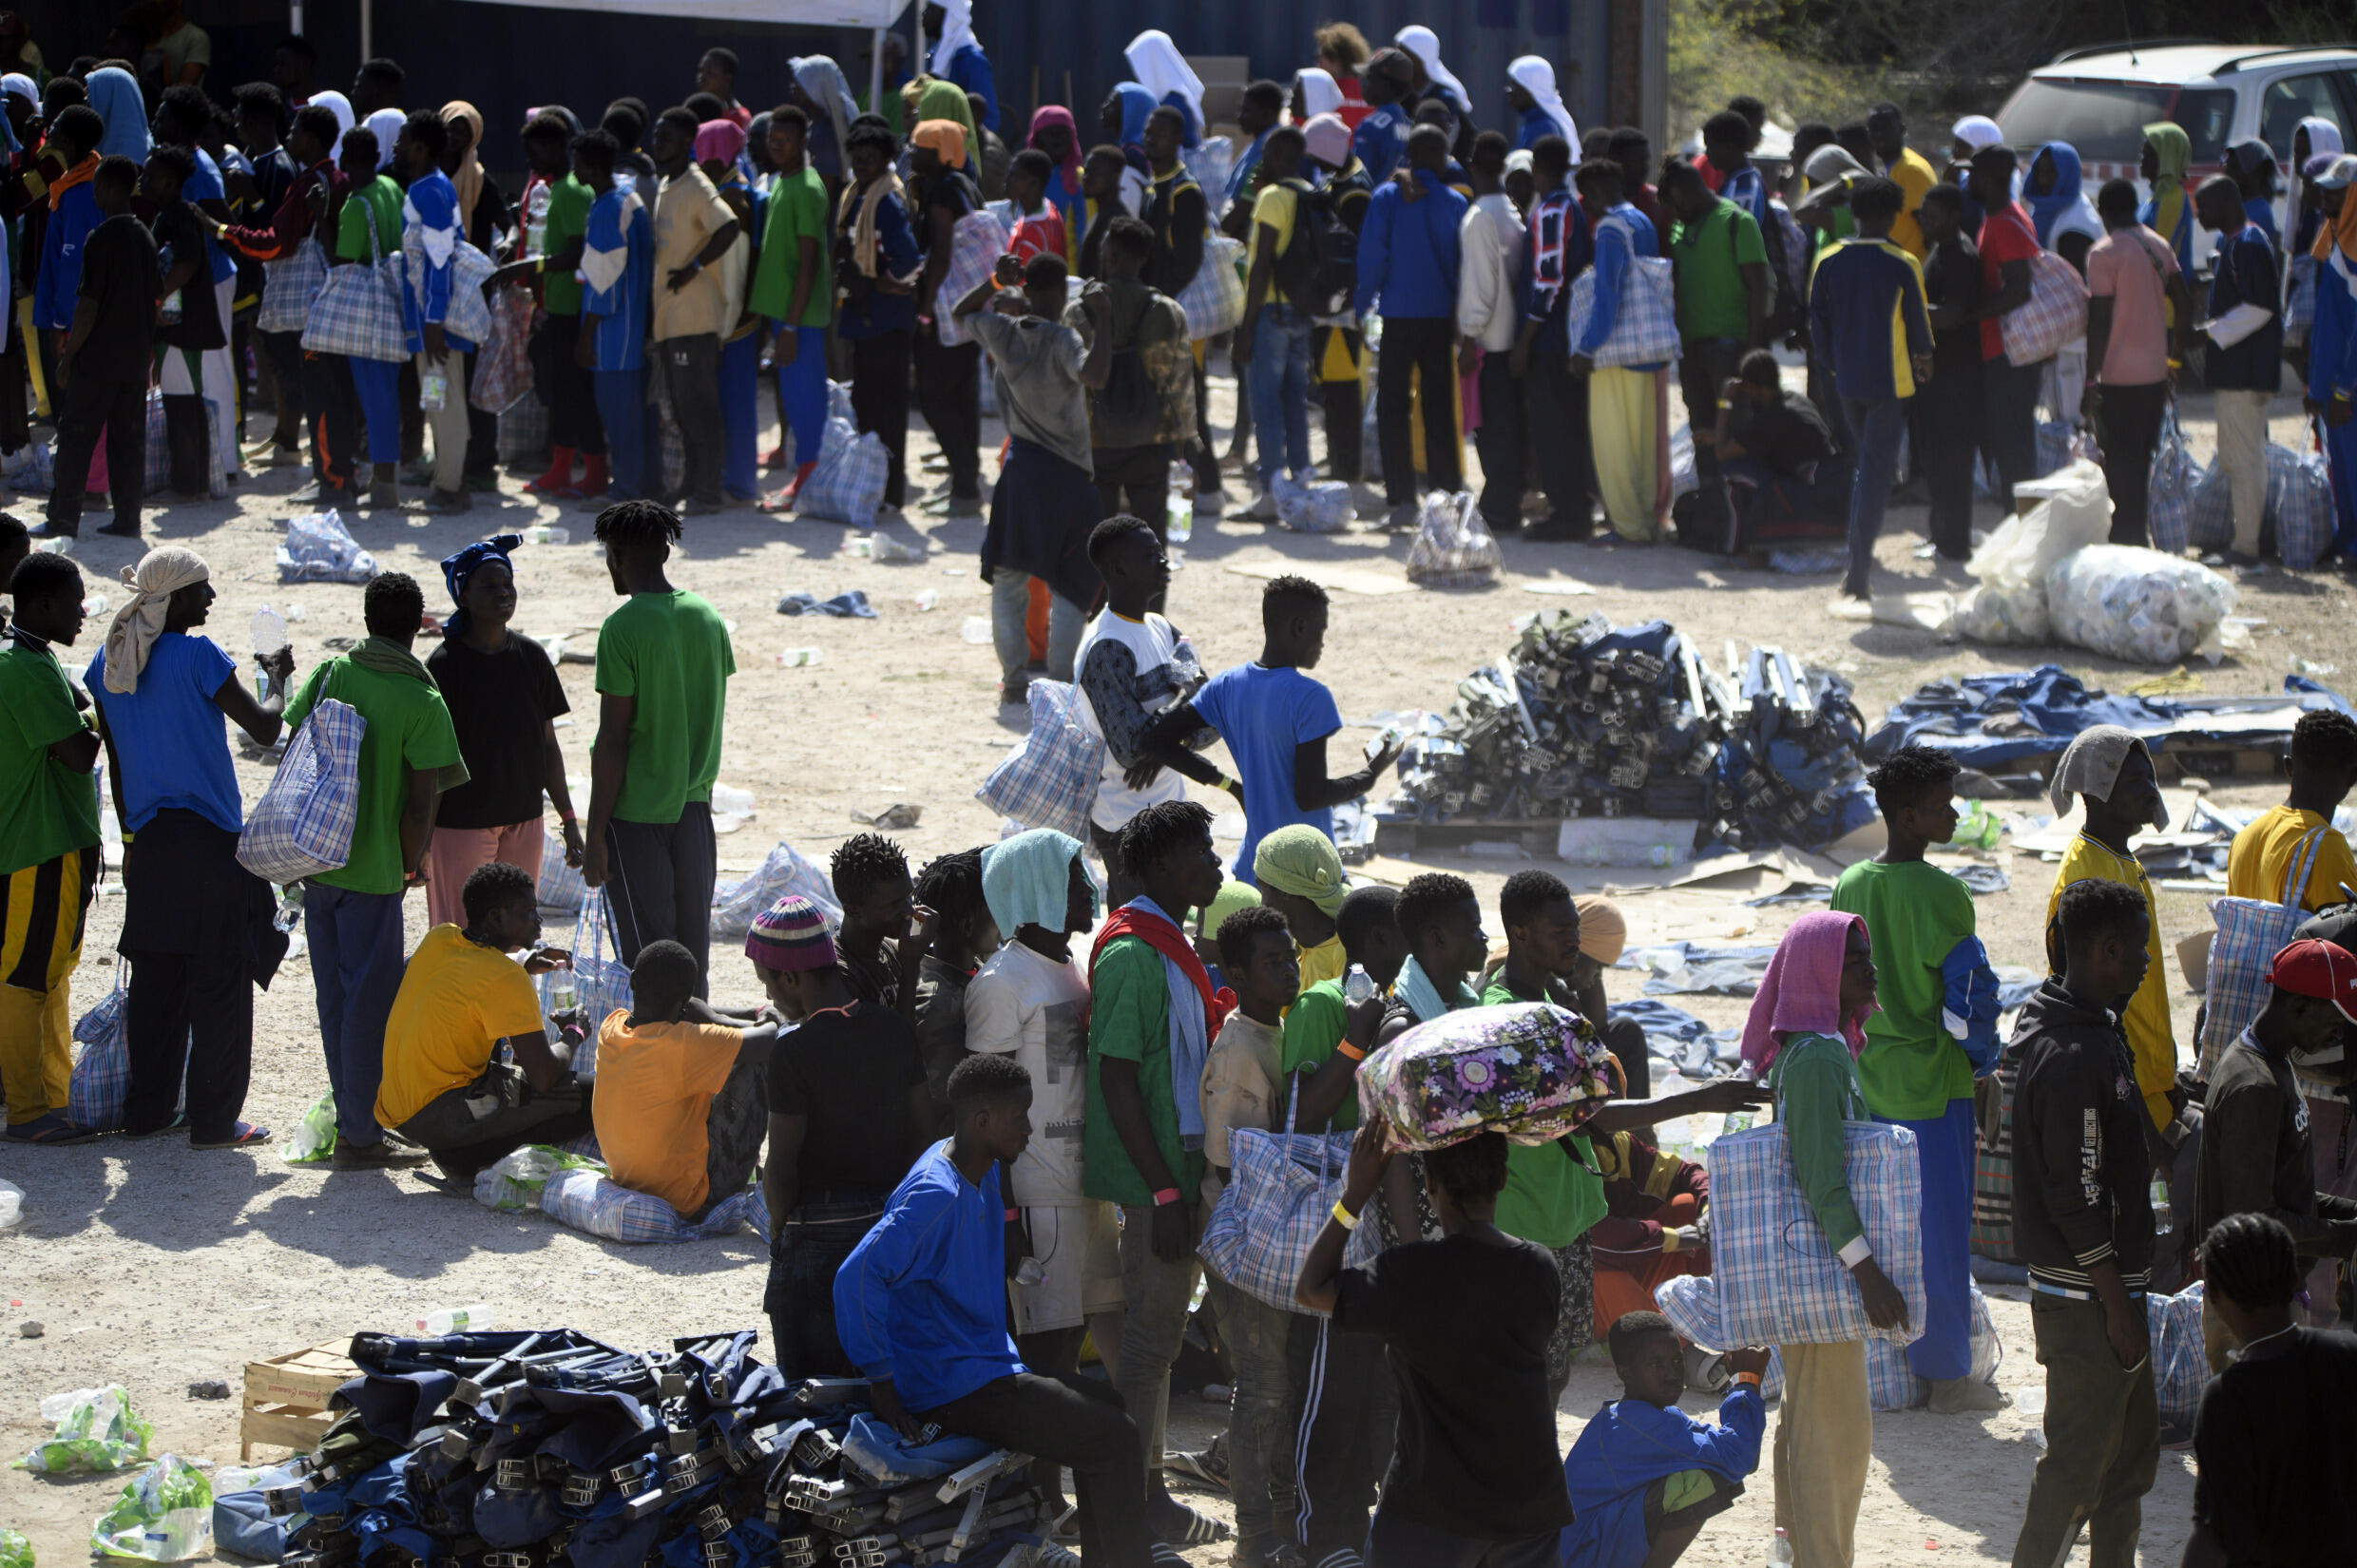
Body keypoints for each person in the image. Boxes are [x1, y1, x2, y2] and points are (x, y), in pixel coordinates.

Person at [837, 1053, 1163, 1568]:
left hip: (983, 1365)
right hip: (952, 1383)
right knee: (1114, 1439)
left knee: (1111, 1407)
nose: (1029, 1129)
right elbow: (856, 1275)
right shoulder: (935, 1194)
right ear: (980, 1120)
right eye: (1019, 1117)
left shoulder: (981, 1167)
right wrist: (880, 1376)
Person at [1482, 869, 1772, 1397]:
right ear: (1519, 934)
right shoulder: (1510, 1017)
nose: (1573, 940)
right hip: (1528, 1215)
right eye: (1558, 932)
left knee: (1555, 1373)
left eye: (1575, 929)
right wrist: (1702, 1097)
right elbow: (1587, 1116)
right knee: (1529, 1377)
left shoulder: (1556, 995)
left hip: (1569, 1209)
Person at [1295, 1124, 1574, 1568]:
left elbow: (1310, 1289)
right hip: (1528, 1505)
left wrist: (1356, 1194)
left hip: (1431, 1509)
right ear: (1502, 1179)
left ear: (1429, 1183)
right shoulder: (1539, 1267)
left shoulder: (1410, 1273)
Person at [87, 549, 292, 1148]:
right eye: (202, 590)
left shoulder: (108, 659)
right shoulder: (199, 656)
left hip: (148, 842)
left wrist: (130, 836)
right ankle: (213, 1120)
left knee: (156, 984)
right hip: (209, 842)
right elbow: (266, 728)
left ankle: (147, 1113)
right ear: (174, 598)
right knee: (219, 981)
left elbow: (118, 762)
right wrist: (276, 675)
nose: (211, 600)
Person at [1830, 744, 2002, 1412]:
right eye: (1940, 805)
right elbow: (1969, 1000)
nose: (1953, 813)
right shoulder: (1946, 894)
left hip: (1870, 1083)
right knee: (1941, 1233)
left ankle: (1888, 1368)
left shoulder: (1849, 886)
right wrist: (1985, 1064)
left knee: (1884, 1231)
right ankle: (1948, 1378)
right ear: (1908, 816)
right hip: (1935, 1086)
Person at [1083, 798, 1232, 1546]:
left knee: (1160, 1340)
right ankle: (1138, 1501)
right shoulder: (1134, 954)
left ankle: (1144, 1495)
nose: (1216, 864)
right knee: (1149, 1344)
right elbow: (1114, 1080)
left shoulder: (1169, 946)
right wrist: (1169, 1191)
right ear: (1161, 864)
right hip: (1157, 1183)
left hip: (1172, 1174)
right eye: (1202, 851)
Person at [1743, 912, 1910, 1568]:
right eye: (1854, 961)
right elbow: (1820, 1178)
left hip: (1815, 1266)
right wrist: (1867, 1272)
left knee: (1810, 1424)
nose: (1870, 971)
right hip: (1829, 1269)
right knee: (1835, 1439)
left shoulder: (1820, 1051)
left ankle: (1799, 1552)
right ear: (1818, 973)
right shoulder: (1815, 1060)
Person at [282, 572, 464, 1167]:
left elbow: (296, 743)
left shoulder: (334, 673)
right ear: (419, 625)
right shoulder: (422, 700)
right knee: (370, 1005)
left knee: (334, 998)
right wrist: (412, 865)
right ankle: (360, 1133)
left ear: (366, 620)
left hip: (318, 863)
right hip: (374, 874)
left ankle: (353, 1116)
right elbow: (421, 803)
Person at [2007, 877, 2161, 1568]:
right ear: (2104, 951)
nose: (2148, 966)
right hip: (2088, 1301)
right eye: (2140, 952)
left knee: (2126, 1472)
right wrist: (2115, 1305)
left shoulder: (2094, 1029)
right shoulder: (2070, 1055)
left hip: (2113, 1293)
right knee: (2074, 1473)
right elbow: (2076, 1190)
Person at [967, 830, 1123, 1397]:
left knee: (1115, 1337)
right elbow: (984, 1112)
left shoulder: (1073, 966)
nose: (1089, 888)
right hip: (1039, 1195)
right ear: (1037, 887)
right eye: (1073, 877)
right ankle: (1046, 1489)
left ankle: (1135, 1478)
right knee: (1051, 1357)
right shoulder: (1001, 982)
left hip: (1090, 1183)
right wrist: (1008, 1220)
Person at [1144, 575, 1402, 883]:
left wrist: (1229, 785)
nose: (1321, 643)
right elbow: (1310, 796)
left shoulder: (1226, 685)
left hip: (1254, 869)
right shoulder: (1311, 697)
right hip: (1308, 875)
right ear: (1300, 627)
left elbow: (1158, 741)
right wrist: (1369, 776)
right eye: (1321, 631)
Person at [583, 501, 735, 980]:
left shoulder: (622, 627)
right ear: (666, 553)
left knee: (648, 963)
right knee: (693, 958)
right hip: (694, 811)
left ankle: (656, 1054)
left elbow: (613, 739)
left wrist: (594, 834)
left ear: (616, 556)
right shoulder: (707, 618)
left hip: (635, 816)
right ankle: (699, 1051)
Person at [1193, 902, 1301, 1563]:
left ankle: (1281, 1520)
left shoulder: (1278, 1030)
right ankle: (1257, 1531)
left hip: (1271, 1223)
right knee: (1262, 1385)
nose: (1288, 970)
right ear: (1235, 971)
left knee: (1278, 1381)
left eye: (1290, 957)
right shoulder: (1238, 1048)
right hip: (1245, 1225)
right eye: (1271, 962)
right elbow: (1227, 1159)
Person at [955, 250, 1110, 703]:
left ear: (1024, 289)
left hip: (1021, 471)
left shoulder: (1004, 332)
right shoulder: (1063, 340)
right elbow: (1096, 375)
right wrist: (1103, 320)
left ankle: (1015, 680)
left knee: (1009, 581)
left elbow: (961, 311)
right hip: (1068, 476)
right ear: (1062, 293)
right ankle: (1060, 683)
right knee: (1069, 585)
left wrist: (992, 282)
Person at [2193, 937, 2357, 1364]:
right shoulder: (2255, 1087)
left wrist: (2343, 1212)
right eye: (2335, 1021)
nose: (2340, 1034)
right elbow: (2255, 1220)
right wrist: (2342, 1239)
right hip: (2249, 1309)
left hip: (2268, 1297)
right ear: (2299, 1007)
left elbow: (2283, 1190)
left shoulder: (2275, 1062)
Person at [377, 861, 590, 1179]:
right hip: (439, 1117)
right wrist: (573, 1033)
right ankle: (465, 1156)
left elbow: (475, 973)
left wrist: (523, 960)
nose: (538, 919)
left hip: (399, 1108)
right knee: (583, 1095)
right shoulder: (505, 978)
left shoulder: (440, 937)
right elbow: (545, 1075)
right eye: (528, 911)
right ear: (496, 917)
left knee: (514, 1069)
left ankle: (462, 1144)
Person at [2183, 1213, 2357, 1566]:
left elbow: (2212, 1535)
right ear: (2295, 1279)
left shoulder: (2227, 1398)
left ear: (2213, 1296)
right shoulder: (2346, 1357)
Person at [423, 537, 580, 928]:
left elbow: (548, 746)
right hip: (459, 826)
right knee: (460, 936)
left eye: (507, 584)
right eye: (489, 586)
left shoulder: (531, 657)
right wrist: (418, 840)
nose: (503, 593)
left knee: (517, 938)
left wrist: (569, 819)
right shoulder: (444, 667)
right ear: (465, 597)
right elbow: (427, 761)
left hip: (524, 820)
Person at [0, 552, 101, 1144]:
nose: (83, 612)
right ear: (41, 605)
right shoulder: (27, 668)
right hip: (38, 843)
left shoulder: (29, 660)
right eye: (74, 601)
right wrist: (116, 705)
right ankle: (29, 1110)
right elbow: (77, 753)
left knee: (51, 973)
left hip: (44, 842)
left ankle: (53, 1096)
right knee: (26, 976)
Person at [2042, 726, 2177, 1136]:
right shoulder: (2082, 878)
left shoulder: (2127, 862)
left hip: (2150, 1075)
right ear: (2096, 788)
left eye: (2150, 777)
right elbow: (2083, 1001)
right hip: (2117, 1078)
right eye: (2134, 780)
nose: (2150, 790)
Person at [1805, 176, 1930, 602]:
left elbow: (1816, 323)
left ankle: (1857, 561)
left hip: (1847, 382)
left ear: (1854, 214)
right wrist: (1925, 365)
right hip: (1890, 383)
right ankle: (1858, 571)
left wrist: (1831, 367)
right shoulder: (1903, 262)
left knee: (1866, 467)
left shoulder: (1829, 258)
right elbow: (1920, 331)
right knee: (1875, 474)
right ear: (1894, 216)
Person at [591, 936, 780, 1217]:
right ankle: (774, 1170)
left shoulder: (612, 1026)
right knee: (755, 1062)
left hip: (630, 1179)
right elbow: (769, 1039)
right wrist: (758, 1016)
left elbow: (690, 1015)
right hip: (691, 1199)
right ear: (683, 1001)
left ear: (633, 981)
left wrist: (722, 1016)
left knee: (717, 1061)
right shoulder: (683, 1043)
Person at [1559, 1312, 1767, 1568]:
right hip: (1580, 1556)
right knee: (1697, 1481)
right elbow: (1739, 1456)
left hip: (1585, 1546)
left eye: (1677, 1361)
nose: (1672, 1374)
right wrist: (1747, 1381)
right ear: (1625, 1372)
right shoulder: (1642, 1425)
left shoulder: (1644, 1415)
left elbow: (1742, 1456)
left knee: (1709, 1468)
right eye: (1656, 1365)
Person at [35, 143, 148, 542]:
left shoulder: (100, 239)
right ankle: (128, 519)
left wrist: (68, 358)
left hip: (99, 358)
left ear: (111, 189)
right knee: (127, 440)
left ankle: (63, 518)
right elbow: (153, 302)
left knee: (76, 436)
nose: (95, 194)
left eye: (99, 186)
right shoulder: (145, 238)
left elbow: (87, 308)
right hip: (134, 360)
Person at [1356, 124, 1466, 532]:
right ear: (1442, 156)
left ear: (1410, 155)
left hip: (1398, 316)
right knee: (1438, 407)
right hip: (1439, 319)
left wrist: (1361, 301)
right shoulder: (1454, 202)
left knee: (1393, 407)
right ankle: (1448, 498)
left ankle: (1402, 500)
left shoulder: (1387, 197)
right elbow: (1460, 265)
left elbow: (1372, 256)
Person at [1662, 156, 1770, 545]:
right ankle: (1712, 517)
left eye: (1678, 200)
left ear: (1694, 188)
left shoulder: (1736, 221)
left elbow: (1758, 287)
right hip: (1691, 349)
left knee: (1735, 429)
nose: (1676, 210)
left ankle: (1744, 517)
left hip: (1730, 349)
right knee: (1702, 431)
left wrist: (1754, 351)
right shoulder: (1680, 229)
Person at [1566, 156, 1672, 544]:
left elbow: (1607, 296)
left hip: (1614, 350)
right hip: (1645, 347)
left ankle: (1626, 526)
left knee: (1614, 443)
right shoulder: (1640, 219)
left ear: (1594, 192)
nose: (1586, 207)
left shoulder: (1610, 228)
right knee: (1642, 441)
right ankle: (1645, 520)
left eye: (1586, 198)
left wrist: (1586, 347)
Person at [2083, 178, 2191, 548]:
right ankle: (2137, 533)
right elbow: (2183, 298)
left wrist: (2089, 380)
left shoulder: (2104, 253)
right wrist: (2174, 356)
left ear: (2103, 211)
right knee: (2142, 456)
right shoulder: (2157, 245)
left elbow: (2099, 320)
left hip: (2117, 376)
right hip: (2155, 373)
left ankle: (2125, 536)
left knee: (2118, 459)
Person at [646, 106, 741, 515]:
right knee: (682, 408)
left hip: (694, 318)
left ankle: (707, 492)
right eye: (656, 135)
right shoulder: (668, 184)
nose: (657, 142)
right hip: (670, 319)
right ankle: (689, 483)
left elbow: (729, 226)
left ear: (687, 142)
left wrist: (694, 269)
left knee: (699, 406)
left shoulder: (697, 184)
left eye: (666, 136)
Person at [1508, 134, 1596, 544]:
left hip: (1551, 341)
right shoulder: (1568, 206)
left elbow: (1549, 278)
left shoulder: (1552, 211)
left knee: (1553, 430)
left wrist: (1526, 338)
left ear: (1537, 170)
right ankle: (1571, 509)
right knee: (1564, 427)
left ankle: (1569, 514)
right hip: (1560, 336)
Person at [1234, 124, 1321, 519]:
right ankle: (1302, 480)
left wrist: (1246, 327)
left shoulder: (1271, 197)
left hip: (1269, 313)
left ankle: (1270, 490)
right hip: (1302, 313)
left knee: (1265, 405)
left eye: (1268, 154)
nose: (1262, 161)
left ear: (1283, 156)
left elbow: (1261, 265)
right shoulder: (1313, 195)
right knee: (1294, 401)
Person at [2195, 173, 2282, 564]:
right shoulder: (2236, 243)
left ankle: (2246, 547)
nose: (2200, 214)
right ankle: (2244, 538)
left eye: (2205, 206)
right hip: (2239, 371)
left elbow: (2260, 307)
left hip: (2244, 373)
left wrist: (2210, 334)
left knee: (2243, 458)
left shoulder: (2247, 243)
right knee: (2238, 456)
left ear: (2227, 203)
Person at [747, 105, 833, 505]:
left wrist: (793, 327)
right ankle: (802, 470)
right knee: (793, 398)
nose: (776, 144)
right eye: (772, 138)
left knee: (807, 400)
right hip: (782, 315)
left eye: (784, 139)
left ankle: (807, 479)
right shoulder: (782, 181)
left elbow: (809, 263)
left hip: (802, 319)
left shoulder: (808, 189)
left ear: (803, 142)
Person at [837, 120, 921, 512]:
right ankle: (871, 487)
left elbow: (908, 257)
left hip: (886, 322)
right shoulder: (857, 195)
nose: (862, 168)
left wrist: (885, 283)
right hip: (864, 319)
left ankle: (889, 495)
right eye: (857, 161)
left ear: (886, 161)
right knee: (866, 407)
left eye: (870, 161)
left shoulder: (886, 200)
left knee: (886, 411)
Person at [575, 130, 659, 505]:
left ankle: (626, 491)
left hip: (613, 337)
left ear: (590, 167)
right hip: (632, 328)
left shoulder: (609, 207)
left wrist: (584, 337)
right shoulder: (630, 198)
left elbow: (603, 282)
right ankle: (639, 486)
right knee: (633, 418)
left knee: (620, 419)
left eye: (577, 161)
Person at [327, 125, 406, 511]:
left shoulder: (356, 205)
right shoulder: (391, 188)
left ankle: (384, 486)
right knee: (387, 398)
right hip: (394, 304)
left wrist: (321, 217)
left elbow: (343, 261)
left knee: (375, 403)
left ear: (344, 162)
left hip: (366, 316)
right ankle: (386, 478)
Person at [1456, 130, 1525, 536]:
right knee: (1504, 425)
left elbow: (1479, 285)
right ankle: (1504, 501)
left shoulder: (1481, 216)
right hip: (1507, 337)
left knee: (1491, 429)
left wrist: (1469, 337)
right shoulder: (1509, 210)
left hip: (1487, 342)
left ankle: (1499, 507)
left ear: (1472, 166)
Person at [1969, 144, 2046, 505]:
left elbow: (2019, 289)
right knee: (2008, 446)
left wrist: (1971, 314)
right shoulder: (1997, 216)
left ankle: (2024, 533)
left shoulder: (2005, 222)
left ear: (1986, 179)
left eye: (1972, 173)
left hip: (2009, 352)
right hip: (2000, 351)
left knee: (2014, 450)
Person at [1914, 182, 1983, 561]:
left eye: (1932, 216)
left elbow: (1954, 314)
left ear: (1954, 218)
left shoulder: (1960, 255)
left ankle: (1953, 543)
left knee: (1953, 462)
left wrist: (1906, 313)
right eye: (1922, 215)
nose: (1925, 222)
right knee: (1935, 460)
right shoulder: (1940, 250)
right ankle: (1940, 535)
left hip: (1957, 375)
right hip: (1939, 374)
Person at [909, 847, 997, 1128]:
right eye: (995, 912)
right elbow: (945, 1110)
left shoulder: (969, 969)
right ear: (968, 926)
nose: (1003, 921)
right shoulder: (938, 1007)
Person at [826, 831, 924, 1022]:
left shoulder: (891, 951)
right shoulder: (838, 976)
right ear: (854, 910)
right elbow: (896, 1046)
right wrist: (911, 968)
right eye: (894, 904)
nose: (909, 909)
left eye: (909, 896)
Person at [1252, 823, 1348, 992]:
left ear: (1286, 891)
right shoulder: (1296, 951)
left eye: (1263, 889)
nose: (1262, 903)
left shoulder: (1345, 955)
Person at [1862, 103, 1935, 259]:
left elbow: (1931, 231)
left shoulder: (1911, 170)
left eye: (1886, 128)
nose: (1879, 134)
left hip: (1911, 271)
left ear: (1902, 130)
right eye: (1874, 128)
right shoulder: (1894, 167)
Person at [2137, 123, 2195, 278]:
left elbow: (2157, 256)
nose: (2142, 160)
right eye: (2142, 153)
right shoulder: (2155, 195)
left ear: (2166, 158)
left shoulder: (2171, 198)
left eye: (2148, 155)